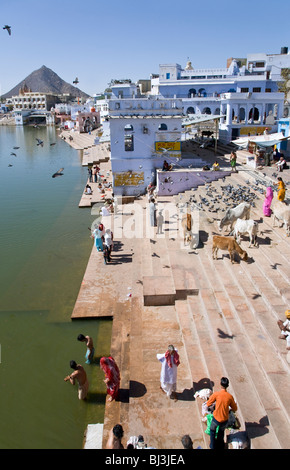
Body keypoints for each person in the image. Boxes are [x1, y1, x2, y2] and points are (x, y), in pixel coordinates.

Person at [206, 377, 237, 450]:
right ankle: (220, 446)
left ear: (220, 384)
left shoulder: (217, 394)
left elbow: (208, 403)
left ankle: (212, 446)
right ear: (227, 385)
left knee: (212, 431)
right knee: (221, 432)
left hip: (216, 418)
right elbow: (235, 408)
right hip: (225, 419)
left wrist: (213, 407)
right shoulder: (230, 397)